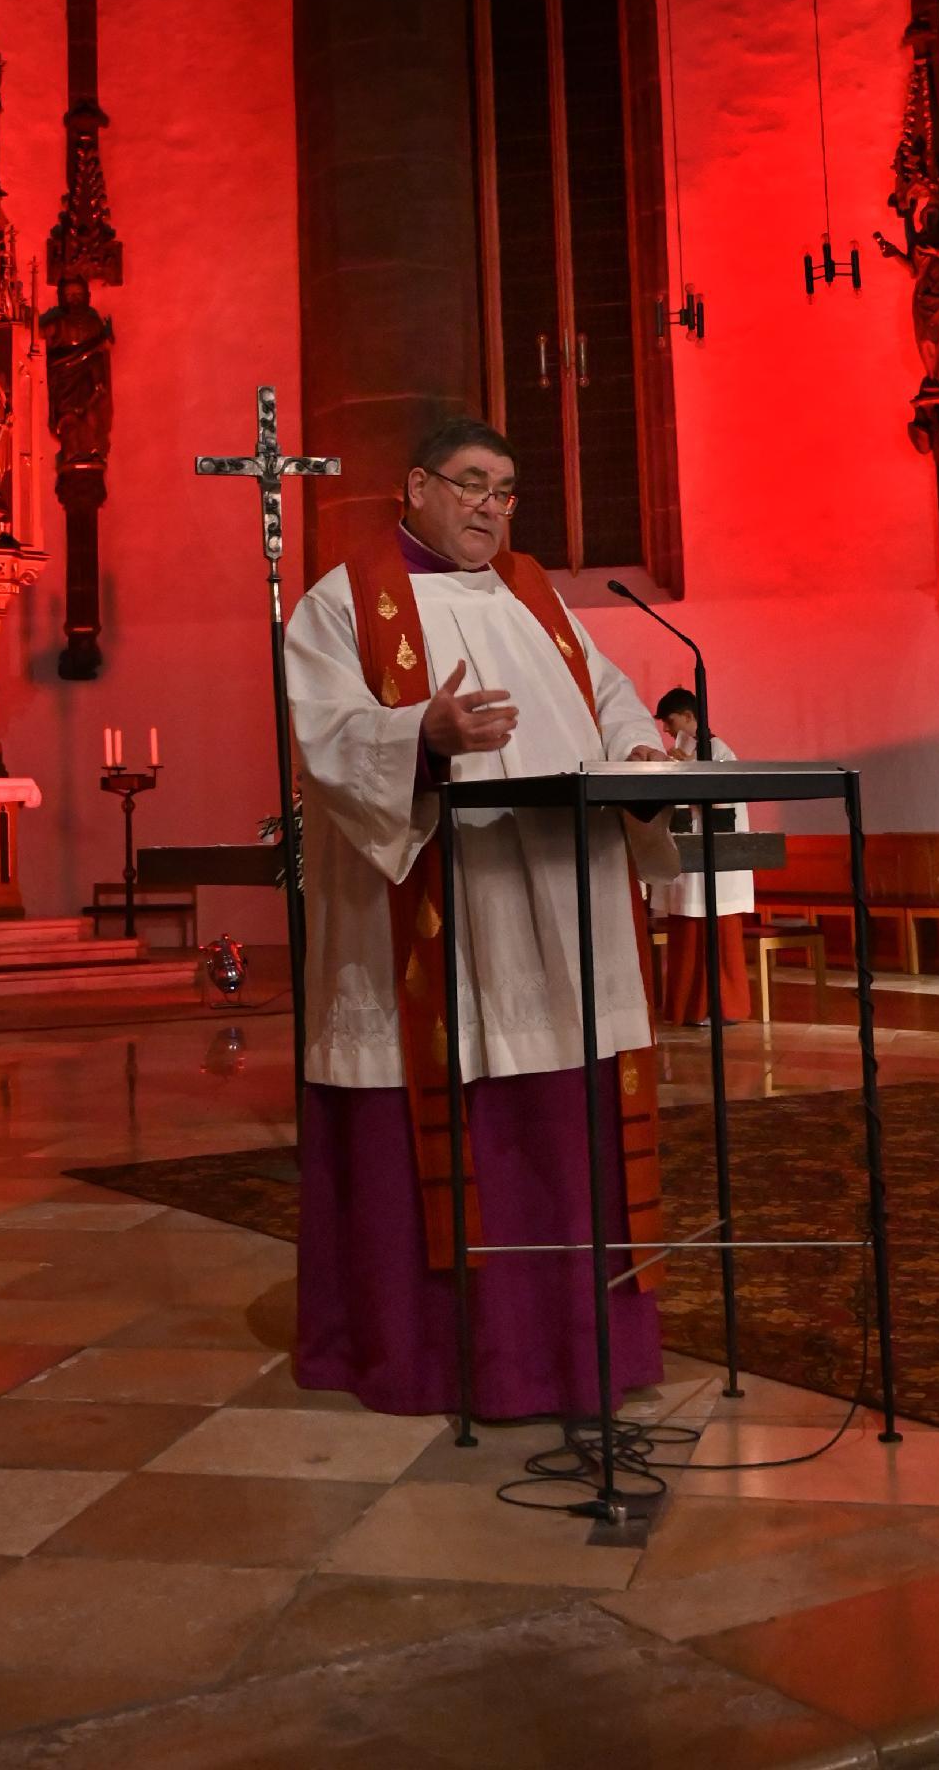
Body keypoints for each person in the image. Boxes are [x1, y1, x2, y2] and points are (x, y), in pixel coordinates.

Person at [284, 416, 678, 1419]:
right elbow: (329, 735)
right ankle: (444, 1356)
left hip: (562, 900)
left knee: (559, 1125)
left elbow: (614, 694)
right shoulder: (345, 602)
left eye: (505, 491)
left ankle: (579, 1350)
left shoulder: (537, 593)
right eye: (470, 485)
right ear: (414, 485)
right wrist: (424, 730)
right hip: (437, 913)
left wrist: (639, 754)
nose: (490, 507)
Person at [650, 688, 753, 1028]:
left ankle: (721, 1007)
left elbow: (723, 803)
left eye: (670, 720)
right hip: (688, 855)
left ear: (690, 717)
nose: (666, 728)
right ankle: (687, 1006)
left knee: (716, 930)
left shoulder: (719, 751)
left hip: (716, 858)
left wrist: (688, 770)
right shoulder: (683, 752)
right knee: (688, 929)